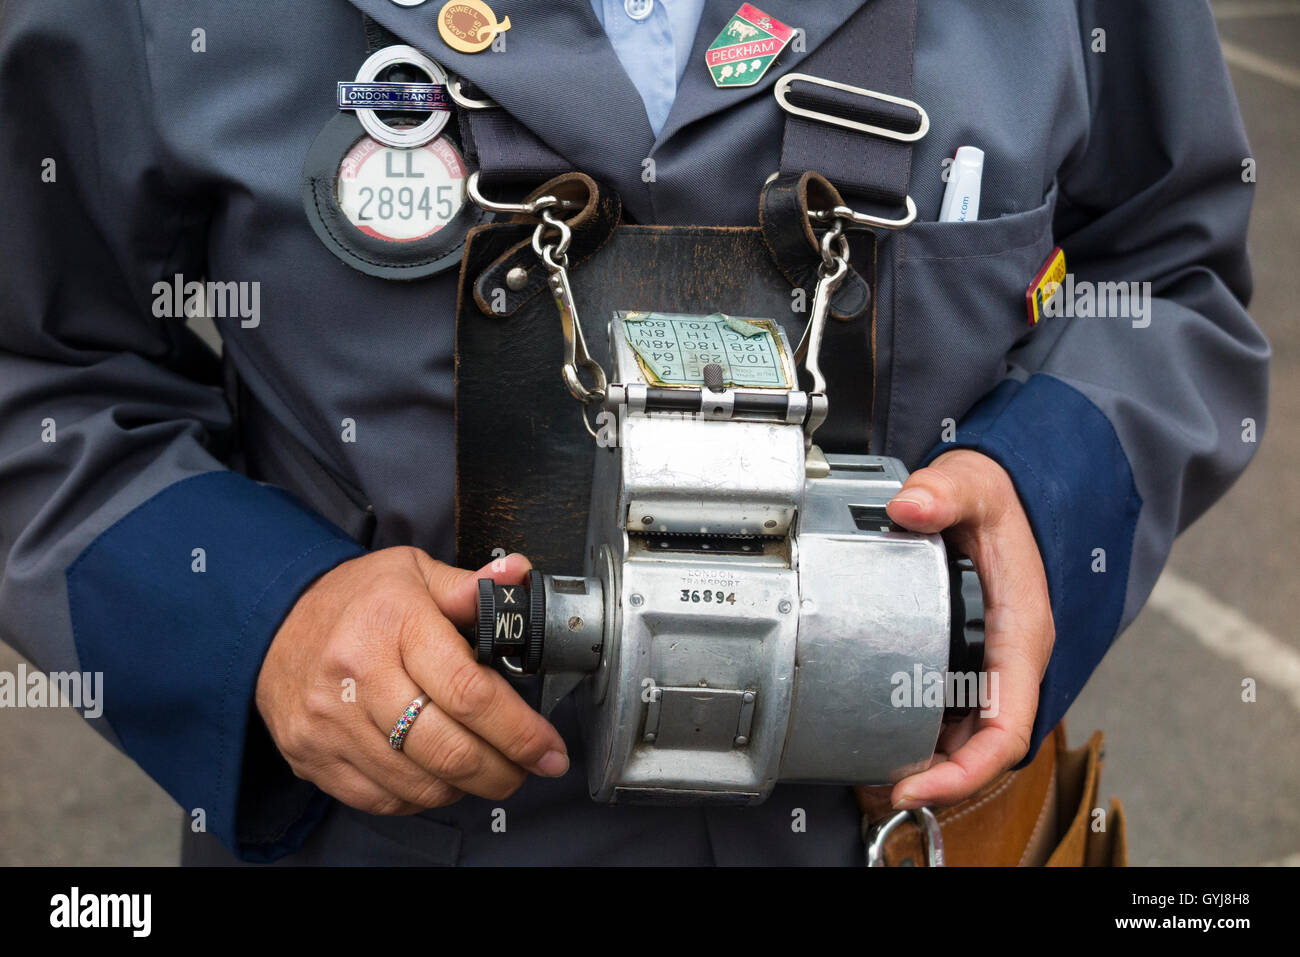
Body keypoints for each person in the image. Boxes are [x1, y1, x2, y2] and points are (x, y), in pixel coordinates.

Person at [0, 0, 1267, 865]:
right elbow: (35, 372)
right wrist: (260, 621)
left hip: (911, 827)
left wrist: (1043, 495)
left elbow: (1166, 266)